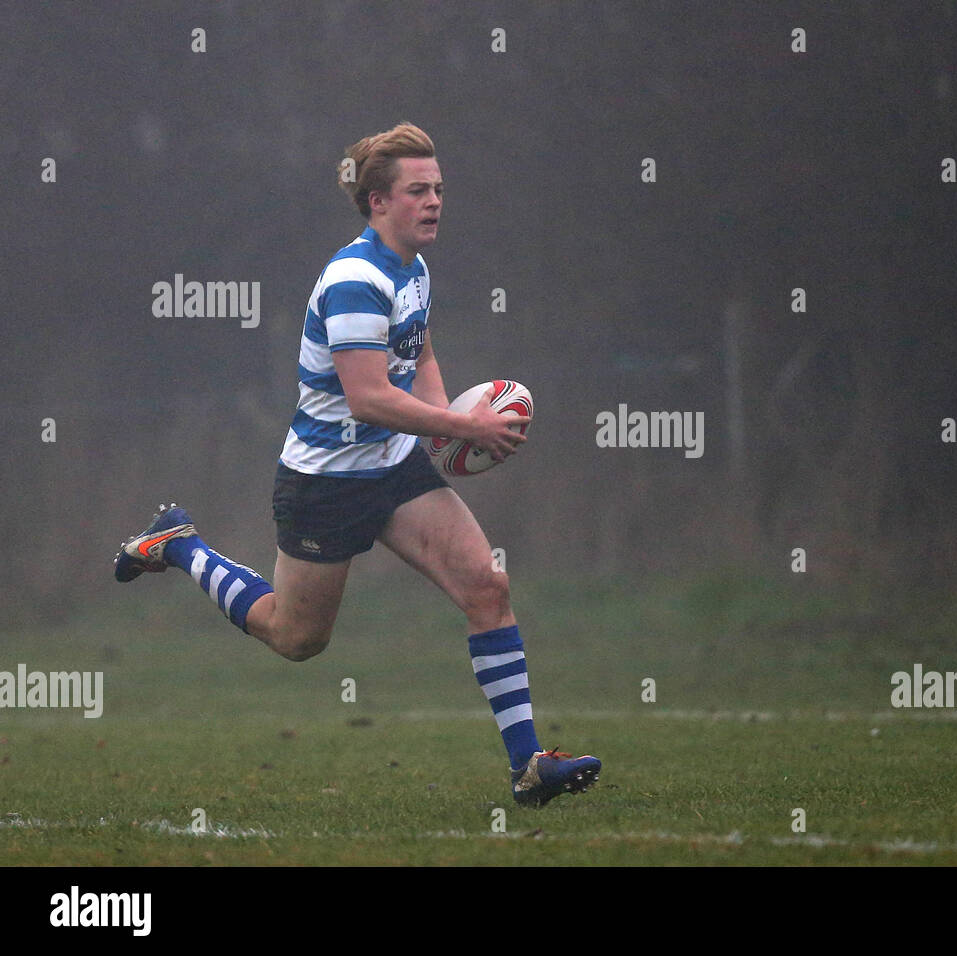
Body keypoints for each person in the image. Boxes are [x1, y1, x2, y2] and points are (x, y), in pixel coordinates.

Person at [113, 122, 599, 807]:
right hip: (323, 485)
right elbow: (368, 397)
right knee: (296, 638)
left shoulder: (415, 269)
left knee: (487, 588)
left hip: (394, 466)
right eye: (417, 191)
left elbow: (418, 353)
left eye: (438, 189)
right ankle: (183, 545)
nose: (433, 202)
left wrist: (443, 439)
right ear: (377, 201)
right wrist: (463, 424)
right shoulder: (355, 280)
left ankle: (528, 768)